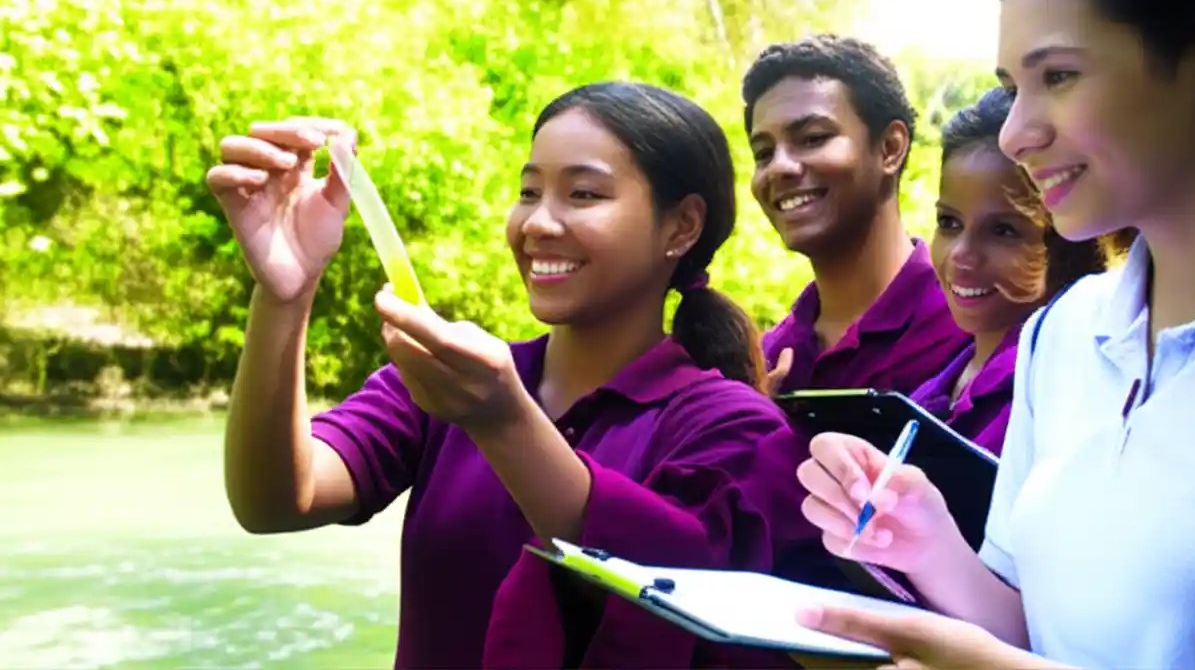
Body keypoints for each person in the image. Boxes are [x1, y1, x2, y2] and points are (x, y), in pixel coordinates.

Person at [206, 82, 803, 669]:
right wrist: (286, 294)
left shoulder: (733, 427)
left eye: (584, 194)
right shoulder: (448, 387)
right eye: (528, 191)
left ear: (682, 227)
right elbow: (276, 501)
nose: (537, 223)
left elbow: (678, 601)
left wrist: (503, 423)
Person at [794, 0, 1195, 668]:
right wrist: (929, 544)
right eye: (1011, 88)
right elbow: (1033, 630)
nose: (1018, 133)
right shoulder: (1067, 331)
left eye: (1058, 76)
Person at [743, 35, 969, 400]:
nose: (778, 167)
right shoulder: (769, 360)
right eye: (763, 153)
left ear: (890, 148)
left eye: (813, 138)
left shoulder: (969, 324)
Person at [910, 87, 1107, 455]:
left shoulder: (1063, 392)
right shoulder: (931, 393)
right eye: (949, 223)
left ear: (1066, 239)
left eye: (1004, 231)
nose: (961, 256)